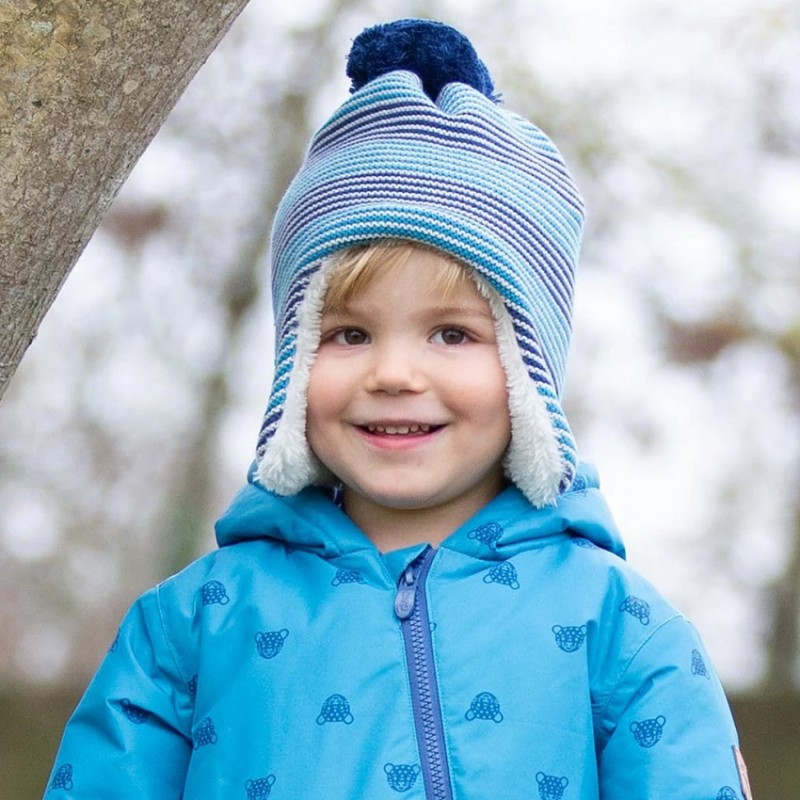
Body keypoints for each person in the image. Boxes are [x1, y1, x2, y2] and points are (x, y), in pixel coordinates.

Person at [44, 18, 753, 800]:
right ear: (294, 366)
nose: (392, 373)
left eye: (452, 333)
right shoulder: (191, 628)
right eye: (349, 334)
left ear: (527, 371)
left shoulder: (622, 632)